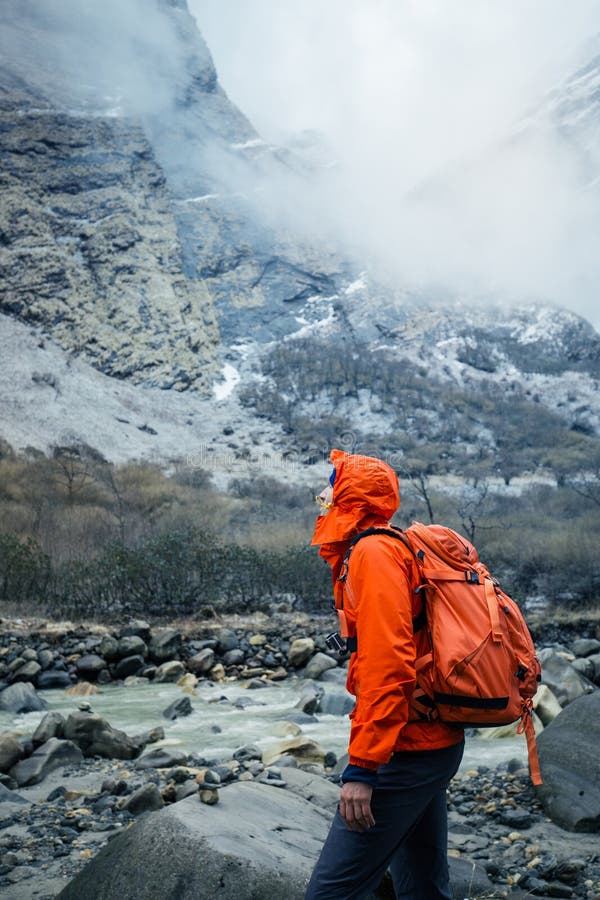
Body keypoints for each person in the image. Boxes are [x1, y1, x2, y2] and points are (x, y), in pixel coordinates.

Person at [305, 449, 464, 900]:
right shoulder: (382, 546)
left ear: (348, 499)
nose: (320, 497)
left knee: (331, 894)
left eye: (328, 489)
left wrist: (363, 768)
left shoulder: (373, 553)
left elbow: (388, 666)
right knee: (423, 888)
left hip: (409, 748)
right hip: (429, 738)